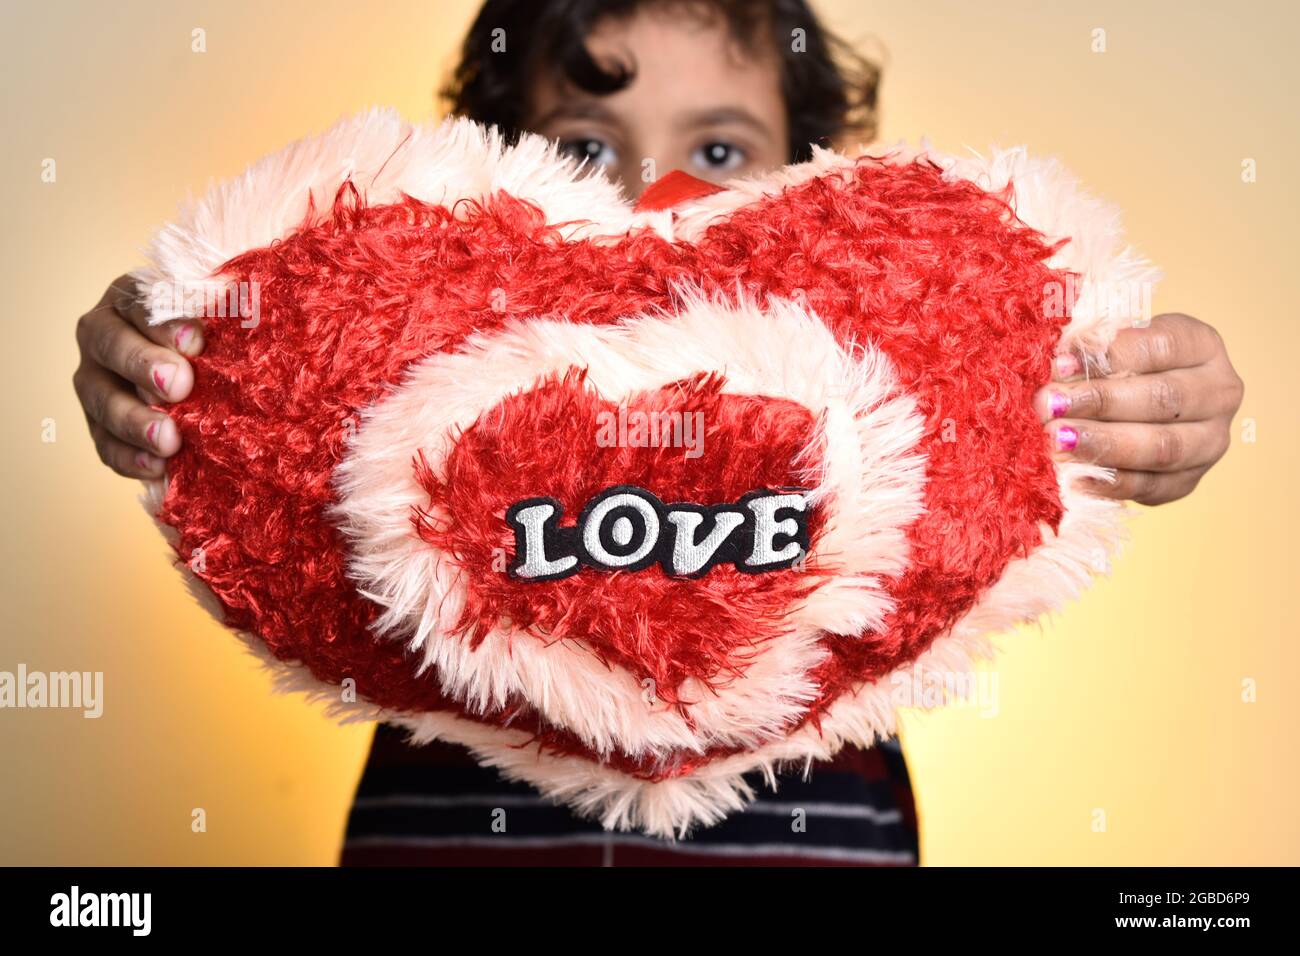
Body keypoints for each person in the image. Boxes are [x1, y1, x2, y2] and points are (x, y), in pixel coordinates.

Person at [71, 0, 1244, 866]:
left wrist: (1144, 406)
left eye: (720, 151)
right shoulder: (421, 366)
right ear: (489, 169)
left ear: (816, 180)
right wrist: (179, 357)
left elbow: (1037, 412)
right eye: (584, 147)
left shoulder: (880, 384)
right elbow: (260, 413)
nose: (655, 195)